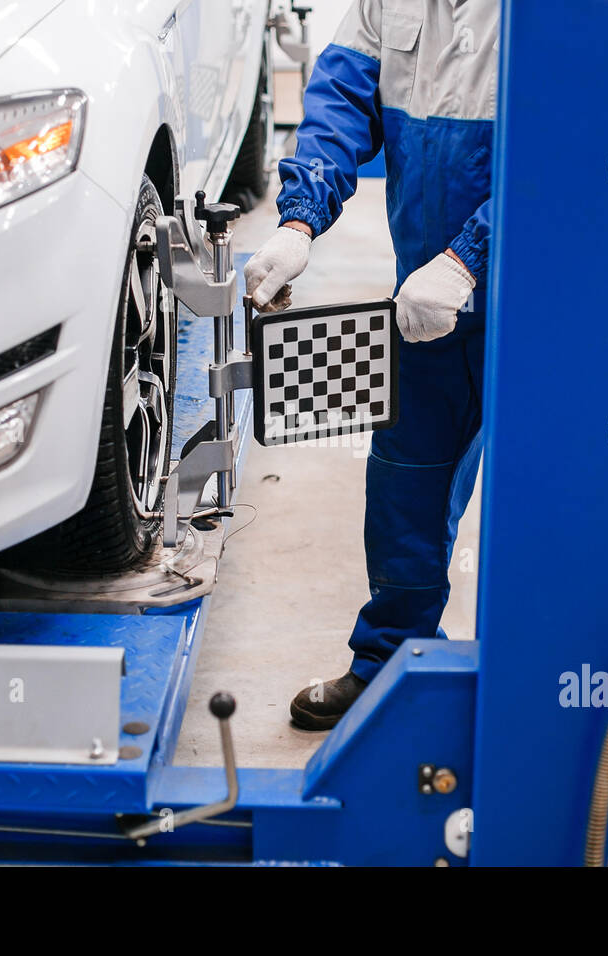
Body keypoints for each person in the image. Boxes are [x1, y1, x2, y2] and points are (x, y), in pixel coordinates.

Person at [245, 0, 498, 730]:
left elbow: (568, 152)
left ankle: (536, 688)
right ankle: (391, 664)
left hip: (538, 318)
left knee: (539, 508)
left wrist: (468, 259)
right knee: (404, 485)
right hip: (426, 306)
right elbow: (342, 99)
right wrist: (299, 220)